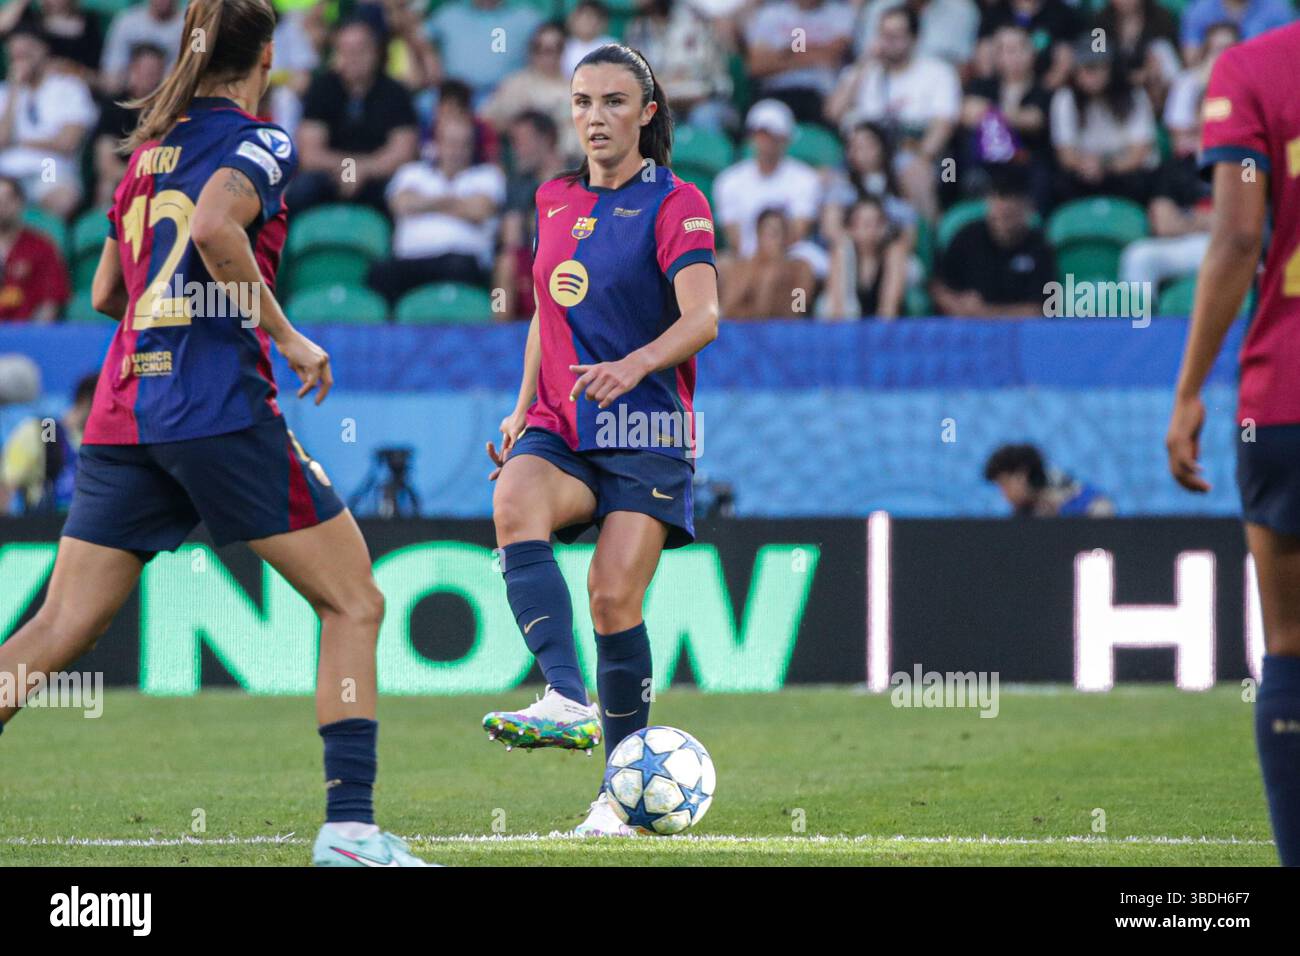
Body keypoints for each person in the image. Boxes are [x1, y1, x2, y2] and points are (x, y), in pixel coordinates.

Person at [0, 0, 432, 868]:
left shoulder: (146, 152)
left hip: (127, 409)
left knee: (57, 629)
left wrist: (172, 310)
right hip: (215, 406)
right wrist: (288, 333)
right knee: (355, 600)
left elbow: (107, 296)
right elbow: (211, 229)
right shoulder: (261, 141)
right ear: (268, 52)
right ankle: (350, 831)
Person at [481, 43, 719, 837]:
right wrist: (519, 412)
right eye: (583, 102)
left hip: (646, 428)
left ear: (648, 113)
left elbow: (704, 318)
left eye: (614, 103)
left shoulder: (677, 202)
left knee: (613, 598)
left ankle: (618, 800)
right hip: (562, 422)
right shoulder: (551, 198)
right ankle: (564, 696)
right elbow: (545, 319)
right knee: (514, 498)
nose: (595, 118)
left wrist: (635, 364)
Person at [1166, 20, 1300, 868]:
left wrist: (1187, 394)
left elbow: (1239, 237)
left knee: (1287, 644)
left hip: (1285, 394)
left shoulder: (1254, 67)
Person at [931, 173, 1055, 318]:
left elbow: (1040, 310)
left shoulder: (1039, 247)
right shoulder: (966, 237)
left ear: (1027, 209)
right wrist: (956, 304)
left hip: (1020, 334)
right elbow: (938, 285)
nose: (1002, 211)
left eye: (1009, 216)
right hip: (965, 329)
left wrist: (984, 312)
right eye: (998, 213)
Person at [0, 373, 95, 516]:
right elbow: (6, 486)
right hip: (43, 530)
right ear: (85, 401)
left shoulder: (99, 440)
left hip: (85, 529)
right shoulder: (46, 430)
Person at [718, 206, 816, 319]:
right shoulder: (742, 269)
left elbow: (799, 309)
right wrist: (762, 286)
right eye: (771, 234)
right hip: (747, 332)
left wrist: (777, 284)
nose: (778, 240)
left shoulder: (801, 269)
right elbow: (729, 310)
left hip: (785, 330)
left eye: (782, 233)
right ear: (759, 235)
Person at [0, 174, 71, 322]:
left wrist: (34, 336)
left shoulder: (41, 247)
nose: (2, 206)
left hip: (27, 336)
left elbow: (50, 302)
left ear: (21, 203)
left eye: (8, 199)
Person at [983, 443, 1114, 515]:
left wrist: (1063, 511)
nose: (1003, 494)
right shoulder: (1024, 512)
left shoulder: (1081, 497)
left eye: (1004, 484)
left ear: (1021, 476)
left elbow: (1105, 512)